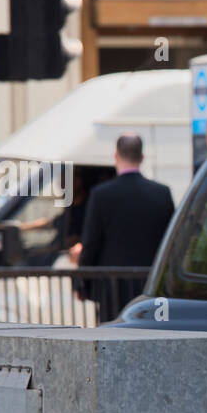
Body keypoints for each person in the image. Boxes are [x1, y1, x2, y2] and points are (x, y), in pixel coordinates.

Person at [72, 134, 174, 322]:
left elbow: (91, 243)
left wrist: (82, 284)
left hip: (112, 289)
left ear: (116, 156)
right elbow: (170, 244)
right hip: (150, 288)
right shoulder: (162, 193)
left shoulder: (100, 195)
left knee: (112, 340)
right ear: (142, 158)